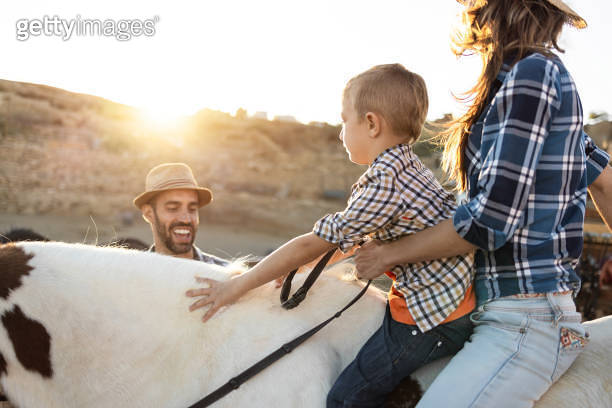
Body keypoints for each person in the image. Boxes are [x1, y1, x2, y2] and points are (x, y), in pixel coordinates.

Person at [353, 1, 610, 407]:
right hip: (503, 312)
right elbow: (606, 181)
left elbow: (490, 222)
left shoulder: (532, 76)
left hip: (526, 319)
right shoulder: (518, 84)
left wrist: (390, 253)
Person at [186, 63, 476, 407]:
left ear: (371, 123)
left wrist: (237, 286)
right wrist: (314, 267)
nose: (341, 132)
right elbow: (347, 239)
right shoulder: (408, 167)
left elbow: (313, 242)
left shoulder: (382, 182)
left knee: (346, 397)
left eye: (344, 120)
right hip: (454, 298)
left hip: (431, 319)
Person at [133, 162, 229, 265]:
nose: (186, 219)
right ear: (149, 213)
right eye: (173, 208)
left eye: (192, 209)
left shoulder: (226, 275)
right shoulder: (132, 276)